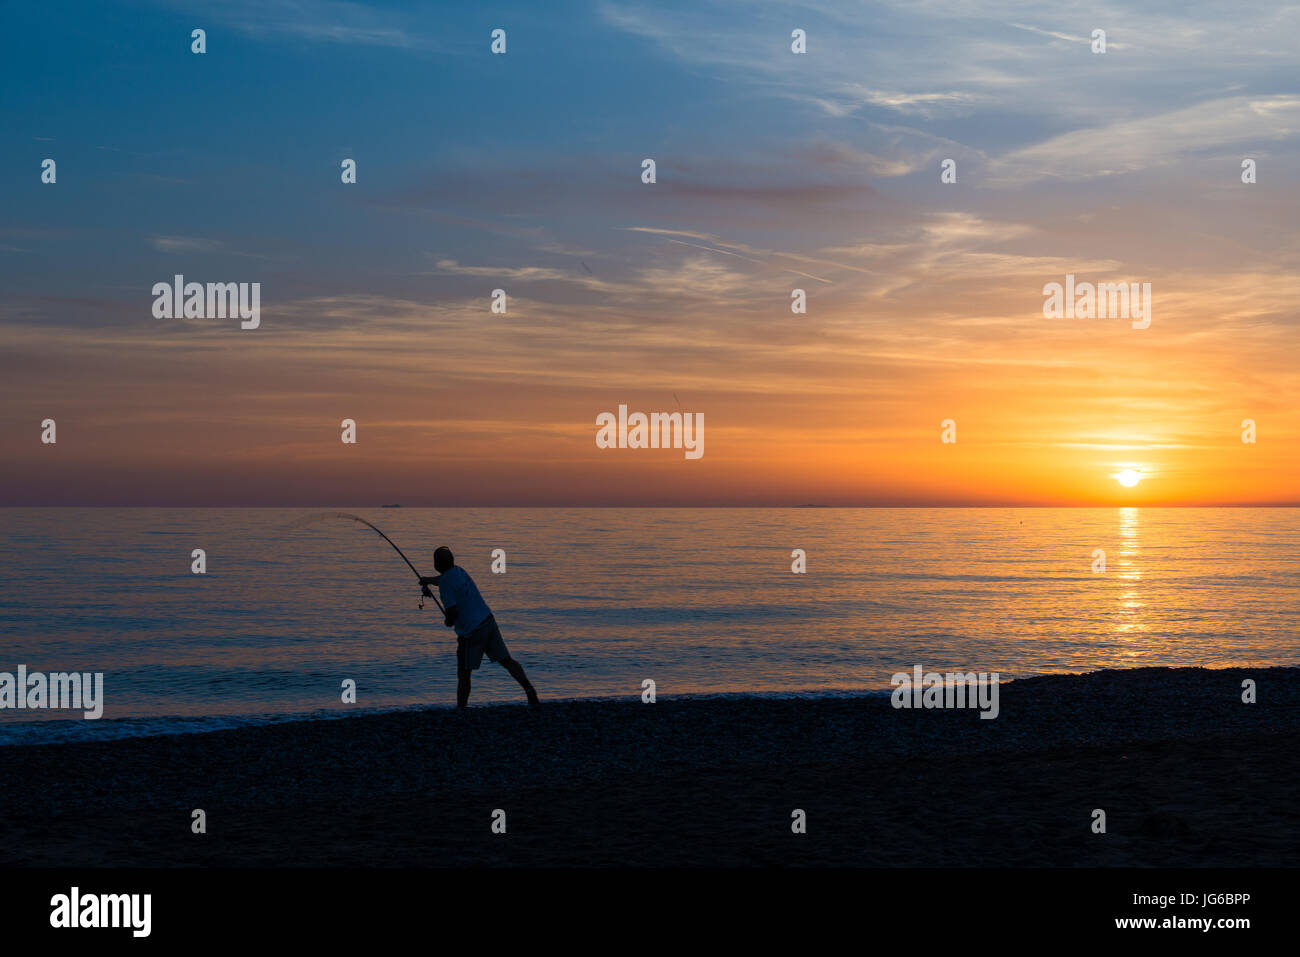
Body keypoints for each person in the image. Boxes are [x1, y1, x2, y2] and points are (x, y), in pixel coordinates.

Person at [420, 546, 540, 709]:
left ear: (436, 564)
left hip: (472, 631)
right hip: (488, 621)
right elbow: (443, 579)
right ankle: (529, 689)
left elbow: (452, 613)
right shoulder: (459, 571)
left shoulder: (446, 584)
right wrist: (428, 580)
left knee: (464, 673)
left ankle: (461, 709)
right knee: (506, 660)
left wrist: (448, 622)